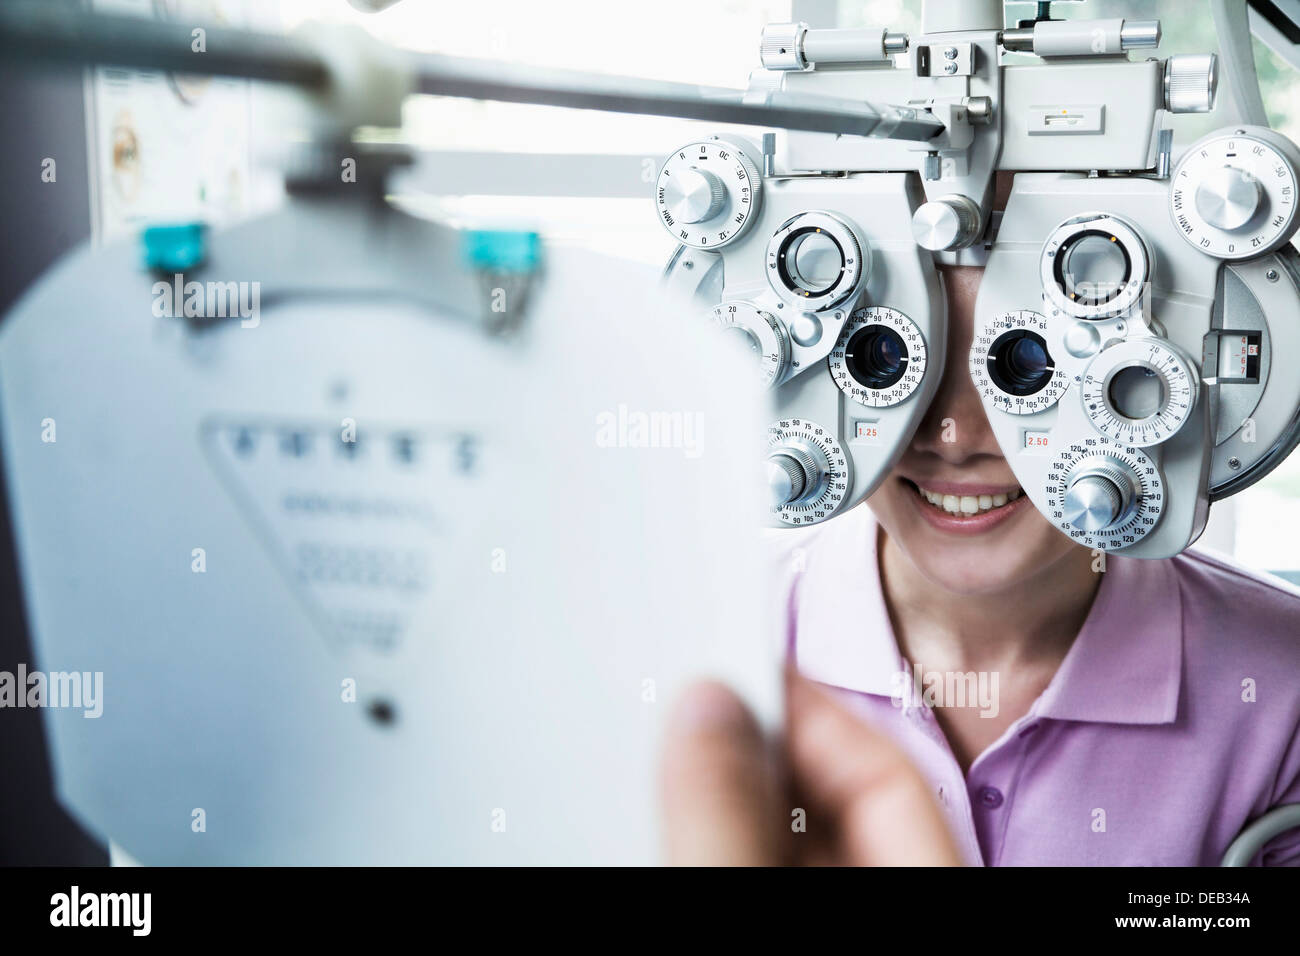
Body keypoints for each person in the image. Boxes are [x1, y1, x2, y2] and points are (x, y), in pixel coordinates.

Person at [660, 174, 1300, 866]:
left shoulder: (1281, 687)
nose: (954, 434)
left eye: (1029, 366)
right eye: (888, 362)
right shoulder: (696, 664)